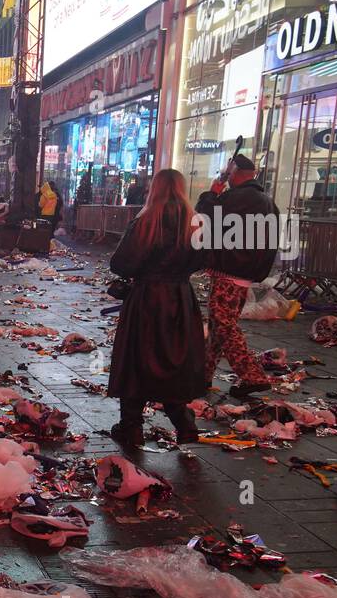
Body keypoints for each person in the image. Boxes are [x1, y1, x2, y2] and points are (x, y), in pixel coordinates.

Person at [107, 168, 206, 446]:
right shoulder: (194, 222)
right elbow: (202, 260)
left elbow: (121, 263)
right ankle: (184, 424)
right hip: (180, 298)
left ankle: (132, 427)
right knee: (174, 362)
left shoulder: (146, 220)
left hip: (147, 299)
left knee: (136, 361)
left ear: (155, 189)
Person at [194, 154, 279, 399]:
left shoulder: (235, 198)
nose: (227, 180)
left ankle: (253, 376)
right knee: (219, 326)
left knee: (224, 326)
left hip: (229, 272)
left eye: (229, 175)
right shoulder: (268, 202)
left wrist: (212, 192)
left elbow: (204, 215)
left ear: (238, 174)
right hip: (245, 274)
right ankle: (202, 375)